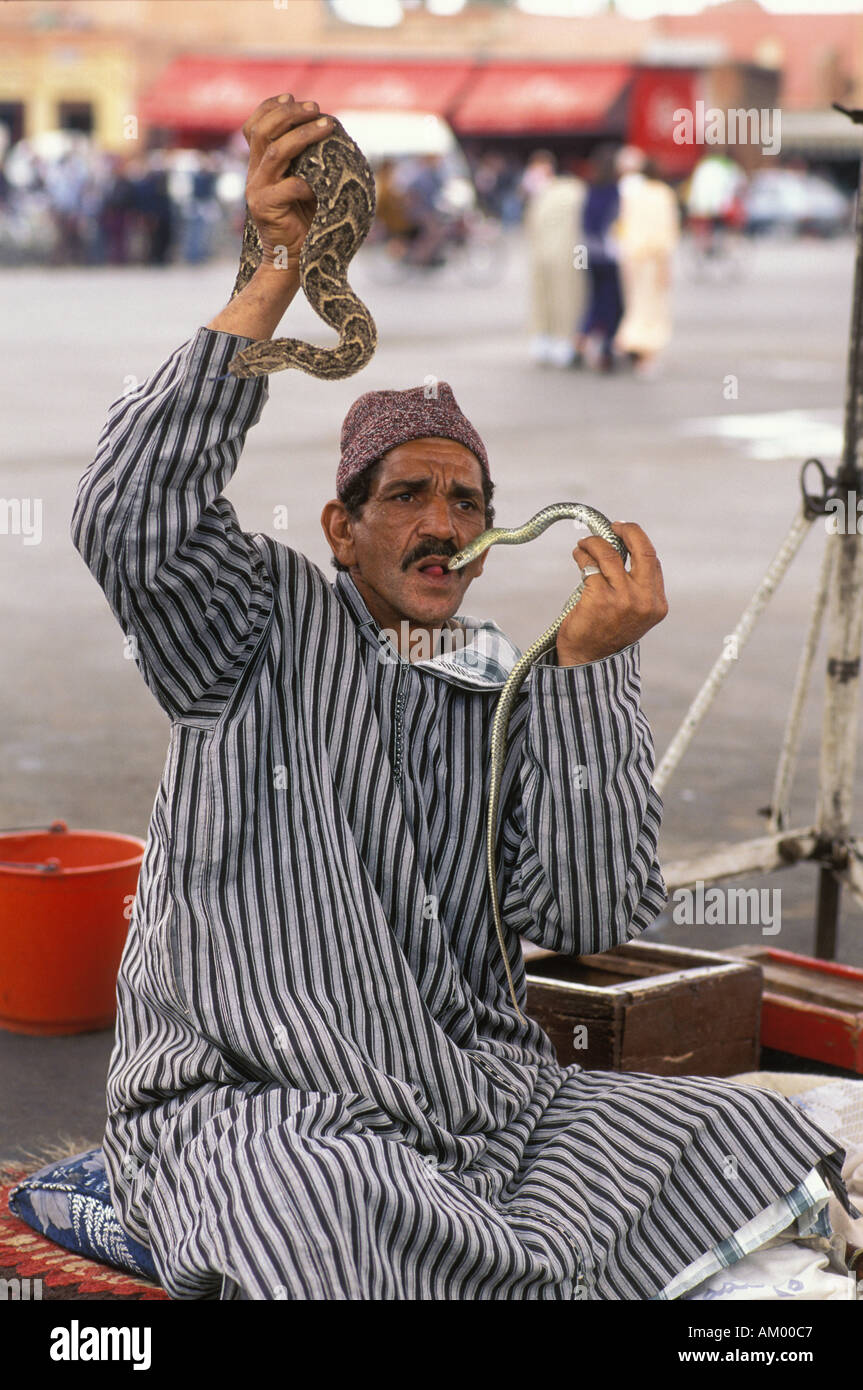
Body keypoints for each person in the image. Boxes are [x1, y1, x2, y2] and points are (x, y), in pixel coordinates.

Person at [71, 96, 856, 1301]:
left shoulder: (502, 681)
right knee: (315, 1211)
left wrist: (588, 673)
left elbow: (586, 909)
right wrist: (276, 270)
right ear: (340, 527)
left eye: (467, 503)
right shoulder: (253, 624)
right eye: (407, 497)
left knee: (733, 1135)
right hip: (261, 1100)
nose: (442, 524)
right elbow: (130, 514)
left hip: (482, 1100)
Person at [613, 148, 681, 376]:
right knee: (654, 306)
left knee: (636, 303)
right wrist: (665, 264)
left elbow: (623, 226)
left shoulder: (634, 194)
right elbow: (667, 232)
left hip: (633, 256)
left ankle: (630, 342)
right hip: (654, 258)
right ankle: (645, 353)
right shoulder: (663, 194)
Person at [522, 149, 587, 368]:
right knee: (560, 298)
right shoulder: (570, 192)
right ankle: (556, 341)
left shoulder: (550, 195)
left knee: (553, 298)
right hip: (561, 255)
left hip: (553, 255)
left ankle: (553, 341)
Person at [577, 144, 624, 373]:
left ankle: (581, 337)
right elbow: (616, 224)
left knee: (594, 299)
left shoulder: (590, 190)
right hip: (609, 254)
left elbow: (585, 224)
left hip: (589, 253)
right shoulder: (616, 192)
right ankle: (606, 349)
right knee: (612, 304)